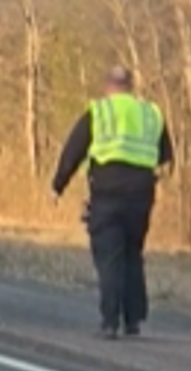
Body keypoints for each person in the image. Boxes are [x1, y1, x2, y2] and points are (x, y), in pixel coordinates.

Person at [51, 64, 173, 339]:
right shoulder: (150, 113)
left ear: (107, 86)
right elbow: (166, 157)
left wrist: (58, 186)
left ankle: (109, 321)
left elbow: (73, 151)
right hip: (141, 196)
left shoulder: (99, 112)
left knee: (109, 256)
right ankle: (134, 319)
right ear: (131, 86)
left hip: (107, 194)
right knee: (132, 253)